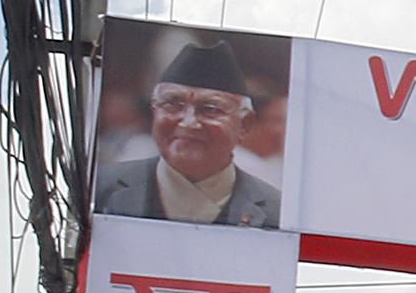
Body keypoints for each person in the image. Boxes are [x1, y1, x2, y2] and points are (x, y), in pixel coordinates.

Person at [92, 39, 283, 228]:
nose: (189, 122)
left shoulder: (276, 212)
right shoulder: (98, 189)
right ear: (154, 111)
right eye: (172, 105)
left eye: (209, 109)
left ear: (244, 124)